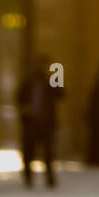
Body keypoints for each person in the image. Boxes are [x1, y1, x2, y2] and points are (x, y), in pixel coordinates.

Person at [17, 52, 63, 188]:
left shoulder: (50, 81)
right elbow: (19, 99)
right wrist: (25, 110)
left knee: (48, 152)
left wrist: (56, 76)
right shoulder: (28, 82)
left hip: (47, 122)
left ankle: (50, 178)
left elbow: (61, 94)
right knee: (29, 151)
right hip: (30, 122)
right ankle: (28, 177)